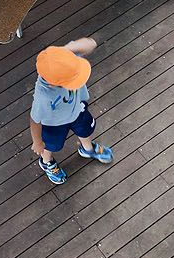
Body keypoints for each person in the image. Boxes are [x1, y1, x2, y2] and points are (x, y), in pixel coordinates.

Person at [29, 39, 114, 186]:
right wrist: (37, 142)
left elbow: (91, 44)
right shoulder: (43, 95)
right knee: (50, 145)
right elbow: (35, 119)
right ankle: (46, 161)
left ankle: (88, 149)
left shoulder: (67, 63)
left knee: (85, 129)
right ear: (55, 82)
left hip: (77, 109)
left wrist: (64, 52)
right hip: (54, 124)